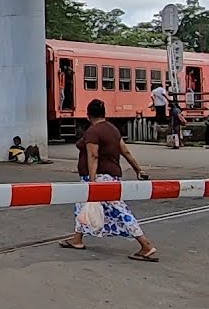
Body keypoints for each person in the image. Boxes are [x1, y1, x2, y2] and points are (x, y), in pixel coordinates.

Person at [59, 98, 158, 262]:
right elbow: (125, 152)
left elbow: (93, 156)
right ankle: (77, 239)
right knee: (83, 207)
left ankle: (145, 245)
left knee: (120, 210)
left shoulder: (93, 132)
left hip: (99, 177)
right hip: (110, 176)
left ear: (88, 114)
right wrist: (138, 170)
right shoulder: (113, 130)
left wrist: (92, 181)